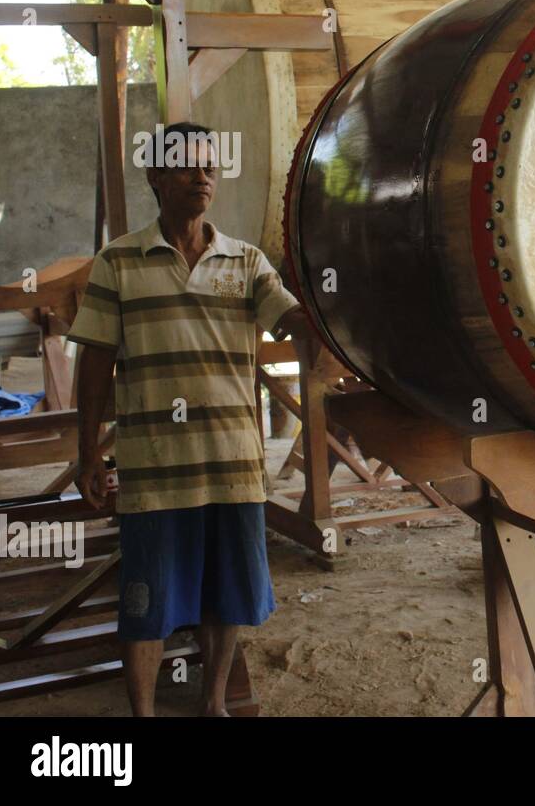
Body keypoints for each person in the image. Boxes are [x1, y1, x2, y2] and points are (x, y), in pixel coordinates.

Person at [69, 122, 316, 716]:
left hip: (232, 464)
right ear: (155, 176)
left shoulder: (246, 261)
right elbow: (96, 364)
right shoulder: (118, 262)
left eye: (209, 166)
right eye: (185, 166)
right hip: (155, 469)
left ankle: (213, 703)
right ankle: (144, 716)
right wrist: (87, 457)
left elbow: (295, 325)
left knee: (227, 593)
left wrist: (337, 308)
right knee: (145, 600)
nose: (202, 176)